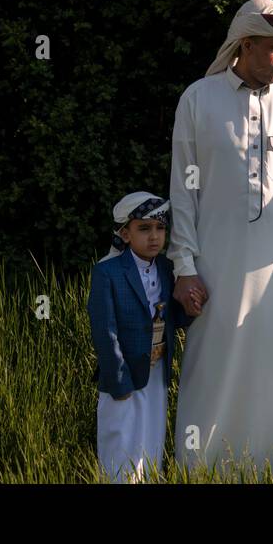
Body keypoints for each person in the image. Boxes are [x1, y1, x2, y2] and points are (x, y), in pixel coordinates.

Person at [167, 0, 273, 471]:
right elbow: (183, 190)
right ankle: (204, 468)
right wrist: (184, 267)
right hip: (216, 264)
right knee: (213, 363)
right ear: (244, 45)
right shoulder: (199, 99)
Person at [87, 192, 191, 482]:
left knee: (152, 433)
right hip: (123, 372)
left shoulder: (167, 268)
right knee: (121, 436)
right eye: (144, 229)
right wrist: (118, 378)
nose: (154, 237)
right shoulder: (107, 272)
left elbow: (174, 318)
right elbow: (104, 332)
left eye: (160, 228)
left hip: (157, 370)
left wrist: (192, 308)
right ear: (125, 233)